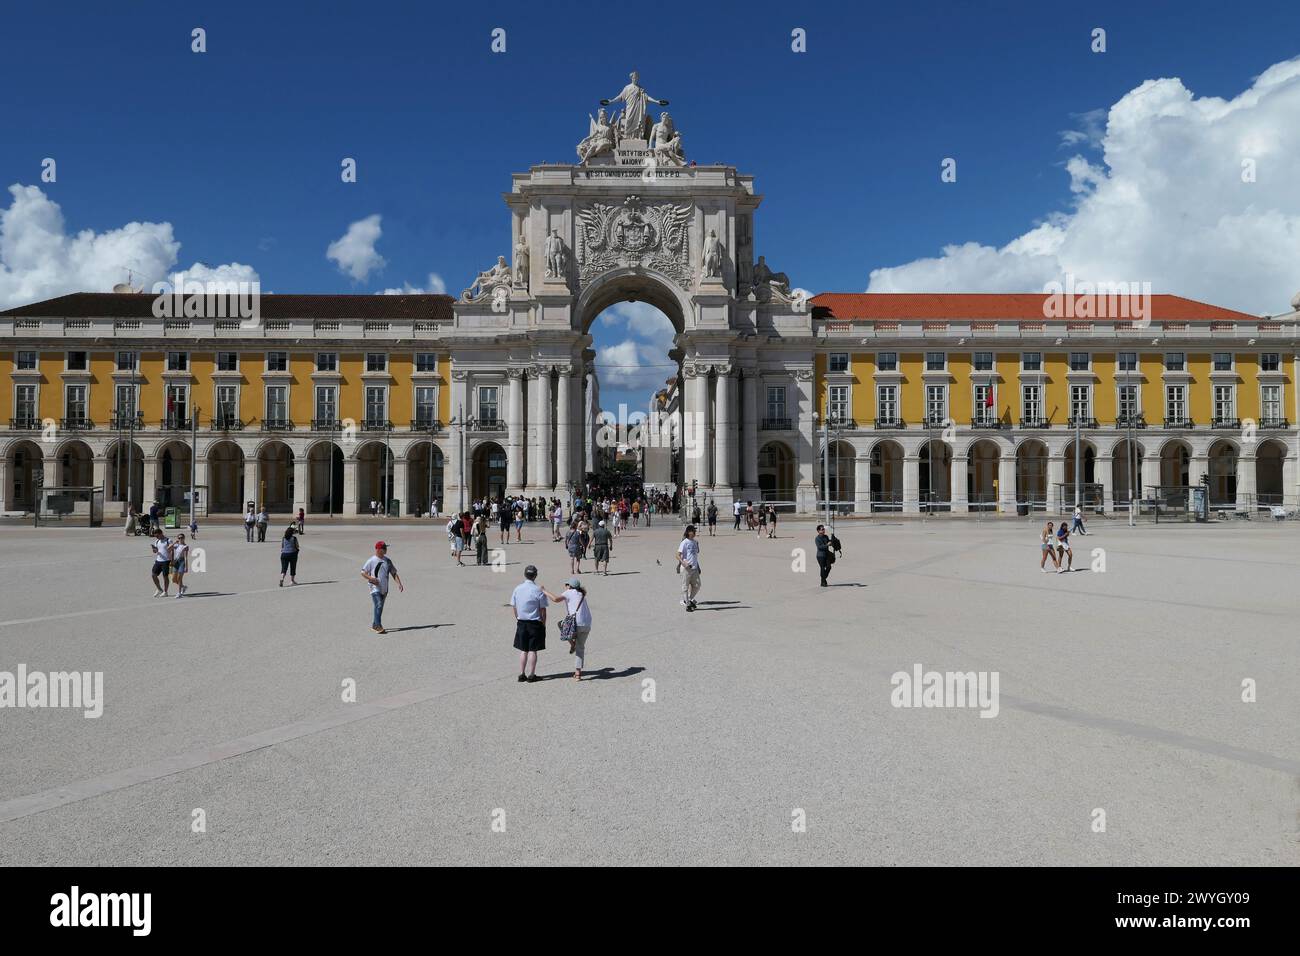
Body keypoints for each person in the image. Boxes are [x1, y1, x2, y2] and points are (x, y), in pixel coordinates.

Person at [542, 577, 592, 681]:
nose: (565, 586)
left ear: (570, 586)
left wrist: (544, 591)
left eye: (567, 584)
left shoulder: (569, 592)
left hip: (576, 623)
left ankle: (572, 644)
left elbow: (555, 599)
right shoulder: (581, 594)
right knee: (580, 648)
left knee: (561, 625)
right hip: (587, 624)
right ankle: (578, 674)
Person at [510, 565, 548, 683]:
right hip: (535, 623)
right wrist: (543, 623)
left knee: (523, 650)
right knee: (533, 650)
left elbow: (514, 606)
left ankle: (522, 673)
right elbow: (543, 609)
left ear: (525, 574)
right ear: (535, 575)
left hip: (522, 622)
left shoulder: (517, 588)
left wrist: (518, 617)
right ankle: (531, 674)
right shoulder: (538, 590)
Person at [361, 540, 403, 634]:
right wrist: (371, 578)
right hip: (374, 587)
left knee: (379, 607)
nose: (386, 549)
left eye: (386, 547)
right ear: (379, 549)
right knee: (379, 604)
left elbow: (394, 573)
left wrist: (399, 584)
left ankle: (374, 624)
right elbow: (363, 572)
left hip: (384, 588)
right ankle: (378, 626)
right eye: (384, 548)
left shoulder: (387, 561)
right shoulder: (371, 560)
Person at [676, 524, 702, 611]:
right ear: (689, 532)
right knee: (685, 587)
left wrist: (698, 566)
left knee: (697, 585)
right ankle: (687, 604)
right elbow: (677, 555)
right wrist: (683, 563)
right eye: (693, 531)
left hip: (694, 568)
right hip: (686, 568)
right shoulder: (684, 542)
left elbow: (695, 556)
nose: (695, 532)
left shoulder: (695, 542)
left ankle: (690, 600)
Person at [150, 528, 173, 597]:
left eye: (157, 536)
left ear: (161, 533)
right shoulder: (157, 541)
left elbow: (173, 551)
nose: (156, 537)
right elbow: (156, 551)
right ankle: (159, 589)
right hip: (158, 560)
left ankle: (165, 592)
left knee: (165, 577)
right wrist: (154, 549)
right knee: (153, 575)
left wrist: (172, 560)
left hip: (166, 561)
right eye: (155, 536)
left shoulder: (168, 540)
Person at [172, 532, 190, 598]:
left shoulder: (185, 546)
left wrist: (186, 567)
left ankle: (179, 593)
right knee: (174, 579)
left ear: (184, 538)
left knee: (179, 578)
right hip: (175, 562)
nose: (180, 539)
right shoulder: (176, 545)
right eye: (179, 538)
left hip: (182, 562)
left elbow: (185, 557)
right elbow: (168, 549)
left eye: (182, 538)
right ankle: (183, 587)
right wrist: (174, 543)